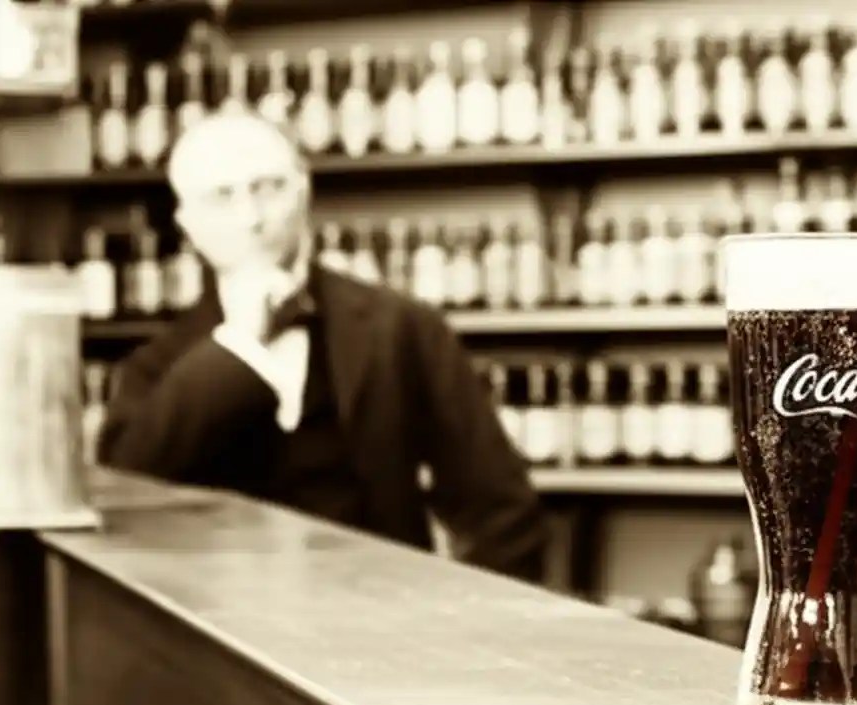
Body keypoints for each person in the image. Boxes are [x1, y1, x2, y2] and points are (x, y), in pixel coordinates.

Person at [98, 111, 548, 583]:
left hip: (387, 622)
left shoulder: (402, 328)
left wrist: (476, 631)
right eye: (221, 197)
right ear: (186, 223)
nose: (250, 218)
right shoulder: (158, 362)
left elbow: (502, 509)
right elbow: (126, 499)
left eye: (267, 188)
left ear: (304, 190)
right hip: (219, 635)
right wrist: (239, 345)